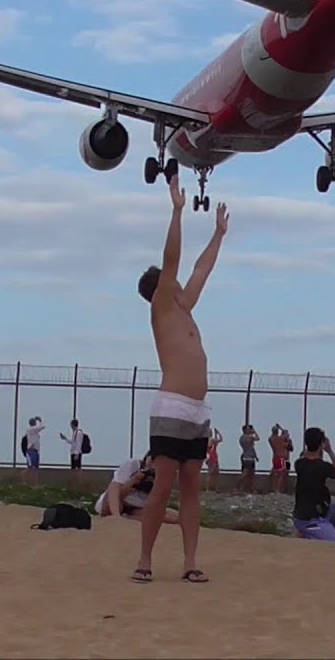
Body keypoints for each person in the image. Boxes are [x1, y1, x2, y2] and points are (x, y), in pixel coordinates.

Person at [132, 174, 229, 584]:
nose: (178, 285)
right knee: (163, 485)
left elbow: (200, 268)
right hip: (172, 406)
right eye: (169, 283)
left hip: (196, 411)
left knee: (191, 486)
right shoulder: (162, 308)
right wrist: (176, 210)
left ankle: (190, 562)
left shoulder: (184, 307)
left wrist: (219, 234)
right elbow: (173, 259)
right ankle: (144, 560)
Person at [292, 427, 335, 546]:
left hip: (317, 513)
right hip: (310, 520)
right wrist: (330, 451)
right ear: (321, 444)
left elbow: (306, 457)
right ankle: (315, 537)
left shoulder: (299, 464)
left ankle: (326, 534)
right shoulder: (323, 466)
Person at [96, 454, 179, 524]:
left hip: (137, 507)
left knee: (162, 518)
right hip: (117, 502)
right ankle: (117, 517)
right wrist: (134, 480)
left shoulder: (163, 476)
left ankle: (128, 518)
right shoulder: (133, 465)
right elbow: (116, 491)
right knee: (114, 488)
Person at [21, 416, 45, 486]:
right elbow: (42, 426)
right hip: (31, 451)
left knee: (36, 469)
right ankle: (23, 480)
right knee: (30, 468)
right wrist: (40, 420)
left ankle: (36, 484)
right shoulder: (31, 430)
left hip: (36, 451)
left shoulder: (34, 432)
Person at [268, 424, 292, 494]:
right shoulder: (280, 439)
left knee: (277, 474)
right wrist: (281, 428)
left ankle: (275, 488)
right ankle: (277, 489)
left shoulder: (271, 439)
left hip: (276, 457)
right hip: (281, 457)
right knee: (280, 475)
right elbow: (287, 434)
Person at [237, 424, 259, 493]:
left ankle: (247, 489)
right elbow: (258, 438)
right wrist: (254, 431)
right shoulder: (247, 437)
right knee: (245, 474)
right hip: (248, 457)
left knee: (251, 475)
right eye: (248, 429)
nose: (250, 430)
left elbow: (251, 448)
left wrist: (255, 456)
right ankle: (237, 486)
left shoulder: (242, 438)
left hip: (249, 457)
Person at [204, 428, 222, 492]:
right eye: (210, 432)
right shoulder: (210, 439)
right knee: (212, 473)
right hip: (212, 457)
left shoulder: (207, 440)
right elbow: (220, 439)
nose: (211, 433)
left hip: (212, 457)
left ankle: (213, 488)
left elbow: (215, 443)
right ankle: (208, 488)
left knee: (215, 473)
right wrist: (218, 432)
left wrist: (216, 434)